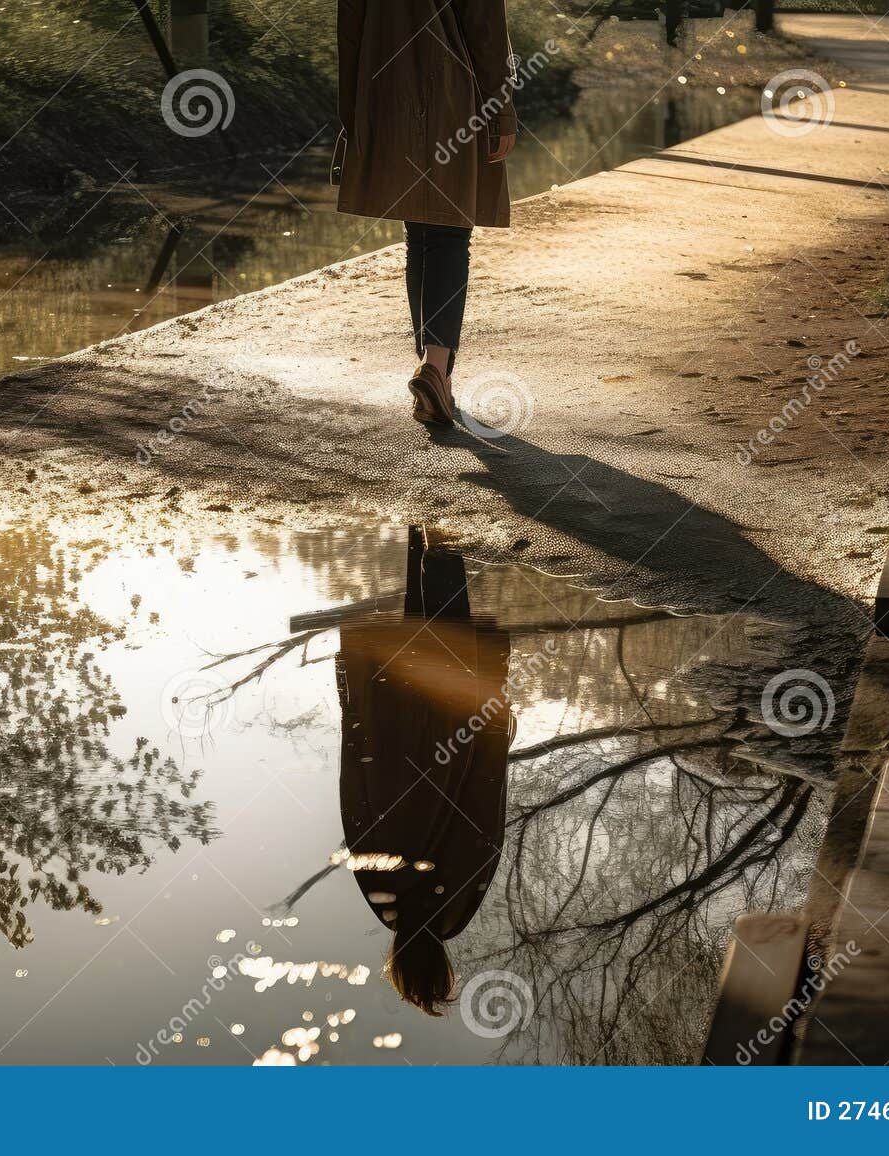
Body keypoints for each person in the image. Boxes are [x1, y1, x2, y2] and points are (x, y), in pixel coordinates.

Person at [335, 529, 512, 1014]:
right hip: (399, 731)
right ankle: (426, 525)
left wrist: (493, 731)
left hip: (457, 734)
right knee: (420, 632)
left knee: (449, 629)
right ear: (396, 959)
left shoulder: (455, 908)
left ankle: (440, 526)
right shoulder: (384, 897)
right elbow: (359, 801)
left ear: (442, 962)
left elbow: (484, 812)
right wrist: (358, 722)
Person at [335, 1, 518, 428]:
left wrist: (353, 113)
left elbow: (350, 27)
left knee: (419, 229)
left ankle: (435, 376)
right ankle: (435, 366)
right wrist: (501, 109)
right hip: (454, 88)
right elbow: (485, 25)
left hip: (385, 88)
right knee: (449, 230)